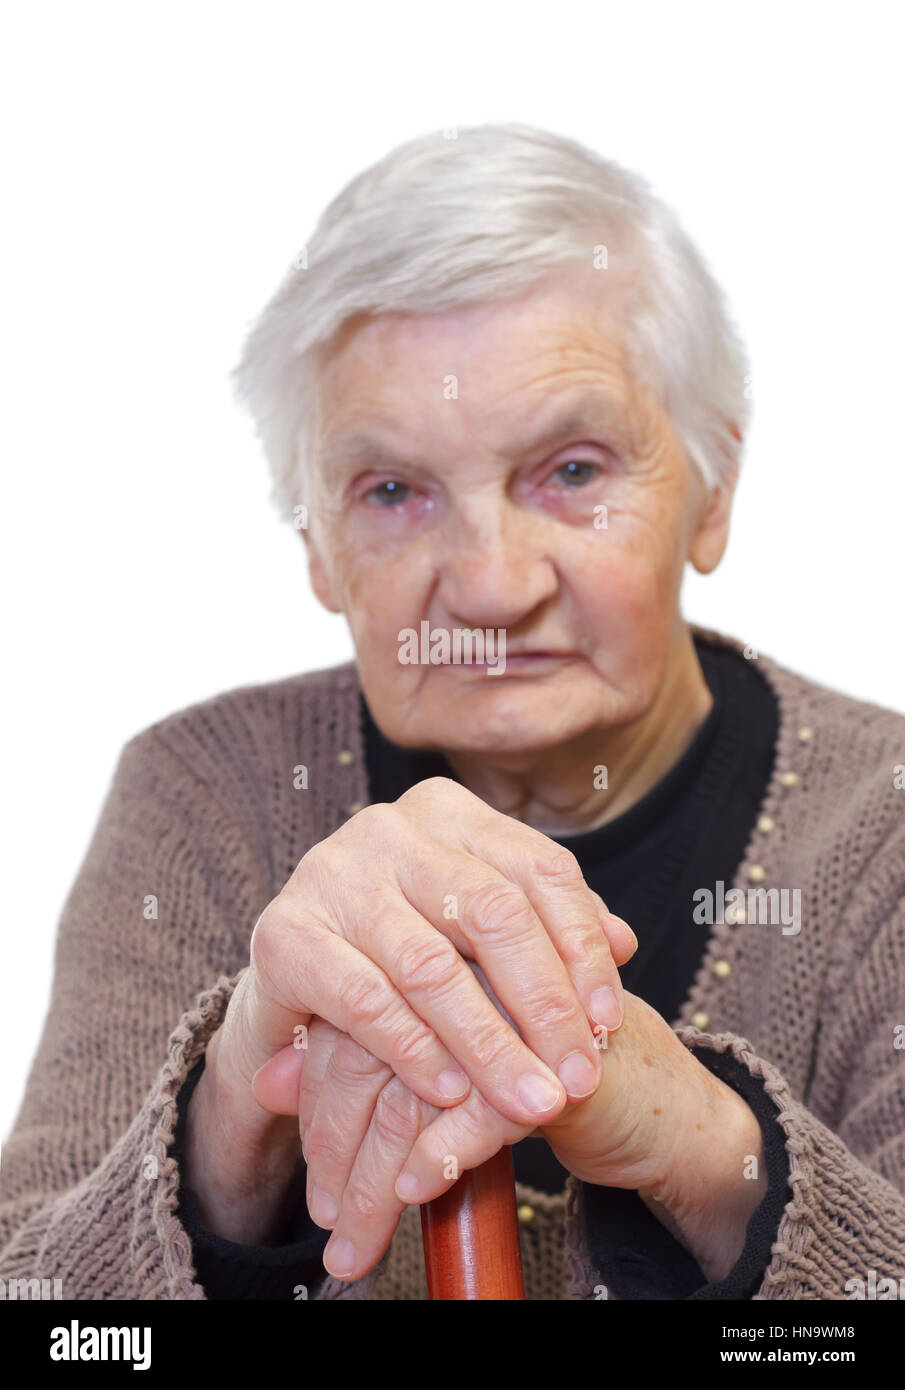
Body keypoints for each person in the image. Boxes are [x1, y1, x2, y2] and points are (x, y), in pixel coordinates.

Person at [2, 123, 902, 1301]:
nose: (487, 585)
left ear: (712, 488)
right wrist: (228, 1121)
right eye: (391, 491)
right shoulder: (202, 795)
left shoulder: (881, 824)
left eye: (572, 471)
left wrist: (705, 1151)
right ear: (314, 544)